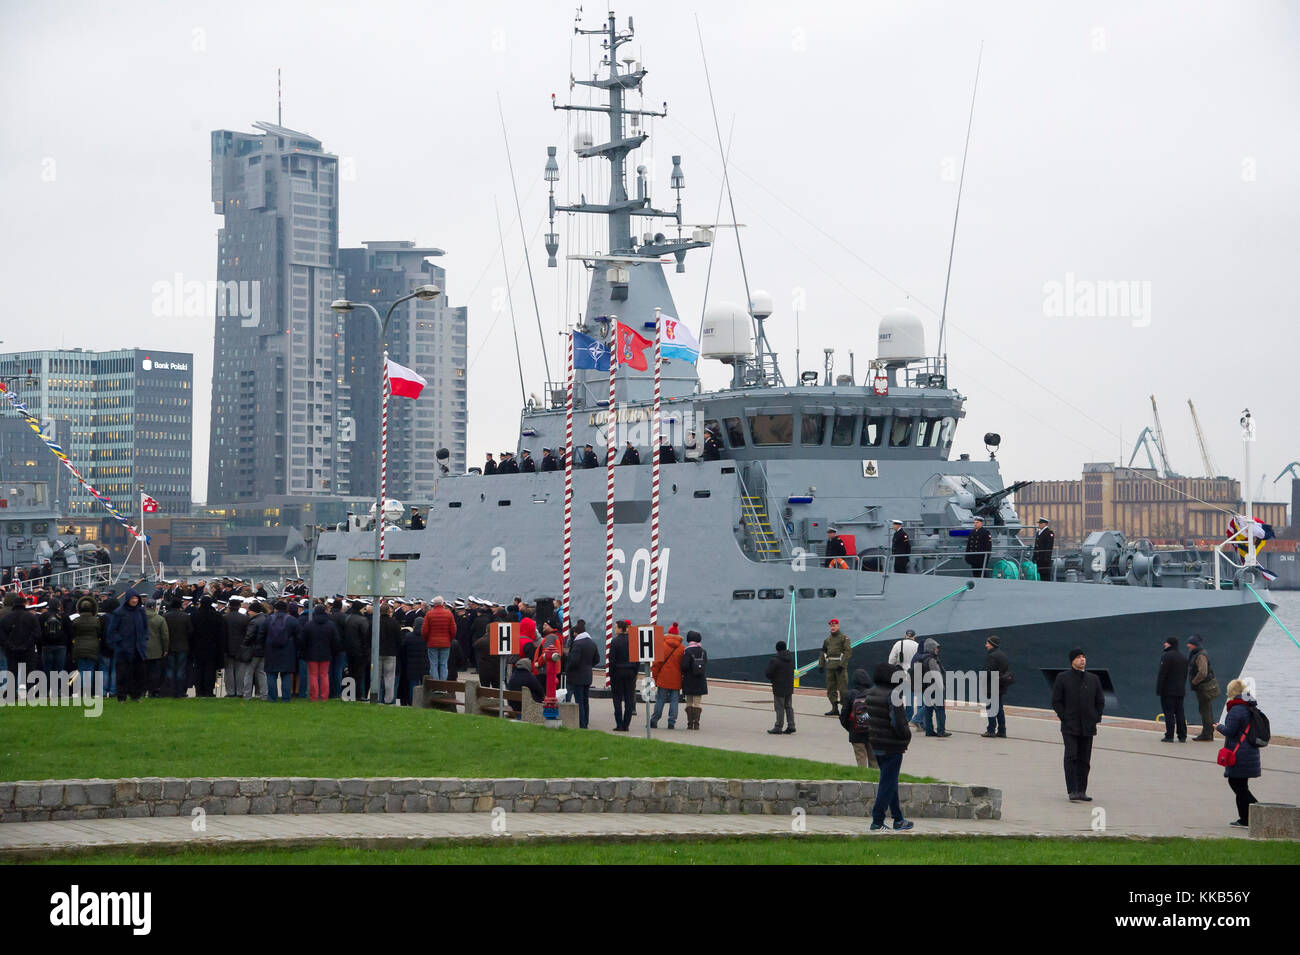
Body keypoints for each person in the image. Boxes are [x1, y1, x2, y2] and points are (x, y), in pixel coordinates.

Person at [1051, 647, 1105, 801]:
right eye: (1079, 657)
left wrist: (1096, 716)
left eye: (1083, 657)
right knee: (1071, 756)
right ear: (1072, 661)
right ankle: (1072, 790)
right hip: (1070, 725)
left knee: (1085, 759)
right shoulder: (1063, 678)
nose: (1082, 659)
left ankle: (1082, 790)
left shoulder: (1093, 679)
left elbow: (1100, 700)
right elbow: (1056, 700)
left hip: (1088, 725)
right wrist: (1064, 717)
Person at [865, 662, 914, 831]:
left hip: (876, 743)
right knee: (887, 783)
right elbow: (898, 723)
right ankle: (877, 821)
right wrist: (907, 735)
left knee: (890, 781)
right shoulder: (893, 695)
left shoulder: (871, 693)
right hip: (892, 745)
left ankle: (898, 819)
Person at [1215, 679, 1263, 828]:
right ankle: (1247, 817)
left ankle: (1254, 814)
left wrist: (1219, 727)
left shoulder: (1236, 709)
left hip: (1240, 753)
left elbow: (1230, 731)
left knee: (1237, 784)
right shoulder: (1248, 707)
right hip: (1248, 751)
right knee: (1241, 785)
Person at [107, 589, 150, 702]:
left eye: (136, 598)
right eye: (132, 598)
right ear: (127, 599)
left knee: (138, 674)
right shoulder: (119, 612)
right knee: (122, 675)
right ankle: (121, 697)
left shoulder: (141, 612)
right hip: (123, 650)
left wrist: (144, 640)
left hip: (138, 649)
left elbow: (145, 628)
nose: (134, 600)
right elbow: (112, 630)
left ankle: (135, 696)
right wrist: (120, 641)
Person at [263, 601, 302, 703]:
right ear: (287, 609)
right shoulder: (292, 620)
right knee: (286, 675)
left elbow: (261, 635)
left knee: (271, 675)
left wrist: (264, 646)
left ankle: (272, 697)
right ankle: (286, 698)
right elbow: (299, 637)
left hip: (271, 650)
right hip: (288, 651)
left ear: (275, 609)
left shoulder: (268, 620)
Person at [839, 667, 878, 768]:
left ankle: (862, 780)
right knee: (874, 760)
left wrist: (851, 728)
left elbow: (843, 716)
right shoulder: (874, 693)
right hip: (872, 732)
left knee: (861, 759)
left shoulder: (850, 694)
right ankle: (875, 781)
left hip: (856, 733)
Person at [564, 619, 599, 729]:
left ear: (576, 633)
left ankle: (582, 723)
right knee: (585, 700)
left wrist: (568, 669)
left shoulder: (577, 644)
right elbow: (597, 659)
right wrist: (588, 665)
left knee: (579, 701)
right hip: (588, 675)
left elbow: (573, 661)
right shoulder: (592, 643)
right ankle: (586, 722)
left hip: (577, 676)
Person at [302, 604, 340, 701]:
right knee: (324, 675)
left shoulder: (309, 625)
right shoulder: (331, 624)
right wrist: (333, 651)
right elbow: (335, 640)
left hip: (311, 653)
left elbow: (303, 640)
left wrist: (304, 651)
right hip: (326, 653)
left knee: (313, 675)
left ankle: (314, 696)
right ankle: (324, 696)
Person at [913, 638, 951, 736]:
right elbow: (936, 674)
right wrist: (941, 687)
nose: (937, 649)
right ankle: (941, 731)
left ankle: (929, 731)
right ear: (931, 648)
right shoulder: (932, 660)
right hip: (935, 689)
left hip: (925, 689)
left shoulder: (920, 659)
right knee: (940, 710)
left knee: (928, 710)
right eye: (936, 648)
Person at [649, 625, 684, 729]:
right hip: (676, 679)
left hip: (663, 679)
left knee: (660, 700)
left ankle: (654, 720)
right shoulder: (682, 649)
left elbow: (656, 665)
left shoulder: (661, 646)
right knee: (674, 701)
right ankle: (671, 722)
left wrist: (654, 678)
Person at [190, 595, 225, 697]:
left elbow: (191, 632)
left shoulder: (194, 616)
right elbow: (221, 634)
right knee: (210, 670)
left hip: (197, 647)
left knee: (198, 669)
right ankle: (209, 690)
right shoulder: (217, 616)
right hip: (213, 647)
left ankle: (199, 690)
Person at [1187, 634, 1220, 741]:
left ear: (1194, 645)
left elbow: (1203, 672)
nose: (1188, 645)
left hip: (1203, 688)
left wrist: (1194, 681)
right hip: (1203, 687)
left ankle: (1207, 734)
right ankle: (1208, 732)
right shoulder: (1200, 653)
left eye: (1190, 644)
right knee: (1207, 709)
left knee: (1205, 710)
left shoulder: (1200, 655)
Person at [1156, 636, 1188, 742]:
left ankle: (1169, 735)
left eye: (1166, 643)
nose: (1164, 644)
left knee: (1169, 713)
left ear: (1170, 644)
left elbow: (1162, 674)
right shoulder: (1183, 657)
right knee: (1180, 713)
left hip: (1168, 691)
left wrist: (1159, 689)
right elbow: (1185, 675)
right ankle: (1182, 735)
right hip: (1180, 691)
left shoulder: (1167, 656)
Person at [70, 595, 104, 696]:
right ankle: (87, 691)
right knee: (90, 669)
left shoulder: (76, 621)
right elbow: (99, 633)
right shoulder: (97, 621)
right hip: (93, 648)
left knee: (80, 670)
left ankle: (79, 690)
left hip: (79, 647)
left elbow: (73, 634)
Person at [609, 620, 638, 731]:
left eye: (615, 627)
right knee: (629, 699)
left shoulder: (615, 642)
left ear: (621, 629)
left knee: (617, 699)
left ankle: (619, 724)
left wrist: (611, 674)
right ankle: (626, 724)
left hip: (617, 673)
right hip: (630, 672)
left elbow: (612, 660)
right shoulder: (633, 641)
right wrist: (634, 671)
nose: (614, 629)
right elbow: (637, 659)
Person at [819, 618, 851, 716]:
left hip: (840, 668)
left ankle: (845, 709)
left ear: (838, 626)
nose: (832, 627)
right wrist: (820, 665)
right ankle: (834, 708)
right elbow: (823, 652)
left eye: (834, 625)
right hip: (830, 667)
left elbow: (848, 652)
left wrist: (842, 665)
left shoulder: (844, 638)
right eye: (831, 626)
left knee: (843, 689)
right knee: (830, 688)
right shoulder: (827, 640)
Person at [981, 636, 1012, 738]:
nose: (986, 645)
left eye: (987, 643)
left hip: (992, 686)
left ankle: (991, 730)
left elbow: (989, 671)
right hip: (1001, 685)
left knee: (991, 708)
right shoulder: (1003, 655)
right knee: (999, 708)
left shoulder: (992, 656)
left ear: (992, 644)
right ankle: (1002, 730)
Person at [889, 629, 920, 725]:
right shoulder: (917, 646)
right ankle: (907, 718)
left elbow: (891, 660)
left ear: (905, 635)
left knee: (896, 697)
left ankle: (895, 716)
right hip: (912, 674)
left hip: (899, 674)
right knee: (909, 698)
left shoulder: (899, 644)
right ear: (914, 637)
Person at [421, 596, 457, 680]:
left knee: (433, 664)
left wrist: (427, 639)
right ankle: (442, 685)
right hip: (445, 643)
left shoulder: (429, 614)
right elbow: (453, 630)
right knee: (444, 664)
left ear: (433, 604)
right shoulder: (449, 614)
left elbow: (424, 630)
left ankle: (435, 685)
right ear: (443, 604)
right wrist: (449, 639)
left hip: (432, 643)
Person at [765, 640, 796, 735]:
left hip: (778, 687)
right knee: (788, 706)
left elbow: (768, 673)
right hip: (789, 686)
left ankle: (778, 726)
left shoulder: (775, 660)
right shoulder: (791, 658)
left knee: (779, 707)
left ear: (777, 649)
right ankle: (791, 725)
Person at [680, 630, 707, 730]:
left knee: (689, 701)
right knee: (697, 702)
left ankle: (689, 723)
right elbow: (705, 663)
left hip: (689, 680)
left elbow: (684, 666)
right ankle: (697, 723)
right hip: (700, 681)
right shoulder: (703, 651)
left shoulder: (687, 651)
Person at [378, 601, 402, 703]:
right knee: (389, 678)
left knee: (376, 677)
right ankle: (388, 699)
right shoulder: (395, 623)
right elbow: (399, 639)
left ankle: (377, 697)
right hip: (391, 653)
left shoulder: (375, 622)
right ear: (389, 611)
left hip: (377, 653)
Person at [399, 622, 430, 703]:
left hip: (411, 665)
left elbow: (403, 649)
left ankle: (412, 701)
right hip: (424, 664)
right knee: (424, 685)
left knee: (413, 684)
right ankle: (423, 701)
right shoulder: (427, 637)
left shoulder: (408, 636)